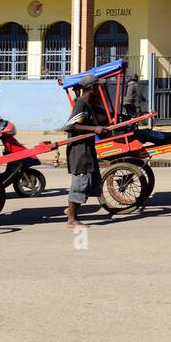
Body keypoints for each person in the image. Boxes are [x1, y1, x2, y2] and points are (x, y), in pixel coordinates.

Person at [64, 75, 108, 228]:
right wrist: (94, 129)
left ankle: (71, 210)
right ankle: (71, 220)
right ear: (92, 88)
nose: (100, 89)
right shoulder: (81, 104)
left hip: (86, 150)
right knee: (80, 184)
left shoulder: (87, 105)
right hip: (79, 152)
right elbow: (70, 126)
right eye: (98, 87)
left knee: (89, 183)